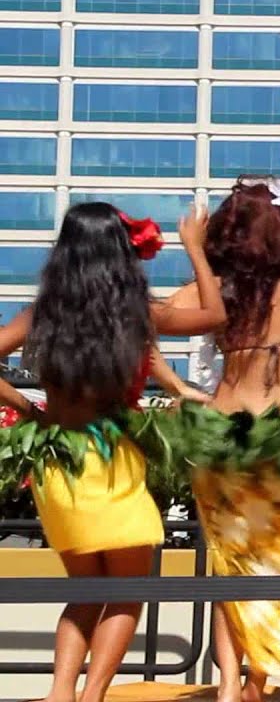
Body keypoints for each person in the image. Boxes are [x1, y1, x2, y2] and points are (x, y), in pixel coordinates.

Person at [145, 89, 280, 702]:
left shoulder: (212, 294)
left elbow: (131, 329)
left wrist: (179, 387)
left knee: (232, 562)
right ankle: (256, 680)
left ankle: (232, 684)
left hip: (223, 431)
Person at [0, 202, 225, 702]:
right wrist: (194, 248)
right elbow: (215, 314)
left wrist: (28, 407)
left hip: (58, 466)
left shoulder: (44, 314)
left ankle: (61, 694)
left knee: (87, 589)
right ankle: (93, 695)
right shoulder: (135, 312)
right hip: (111, 461)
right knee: (129, 586)